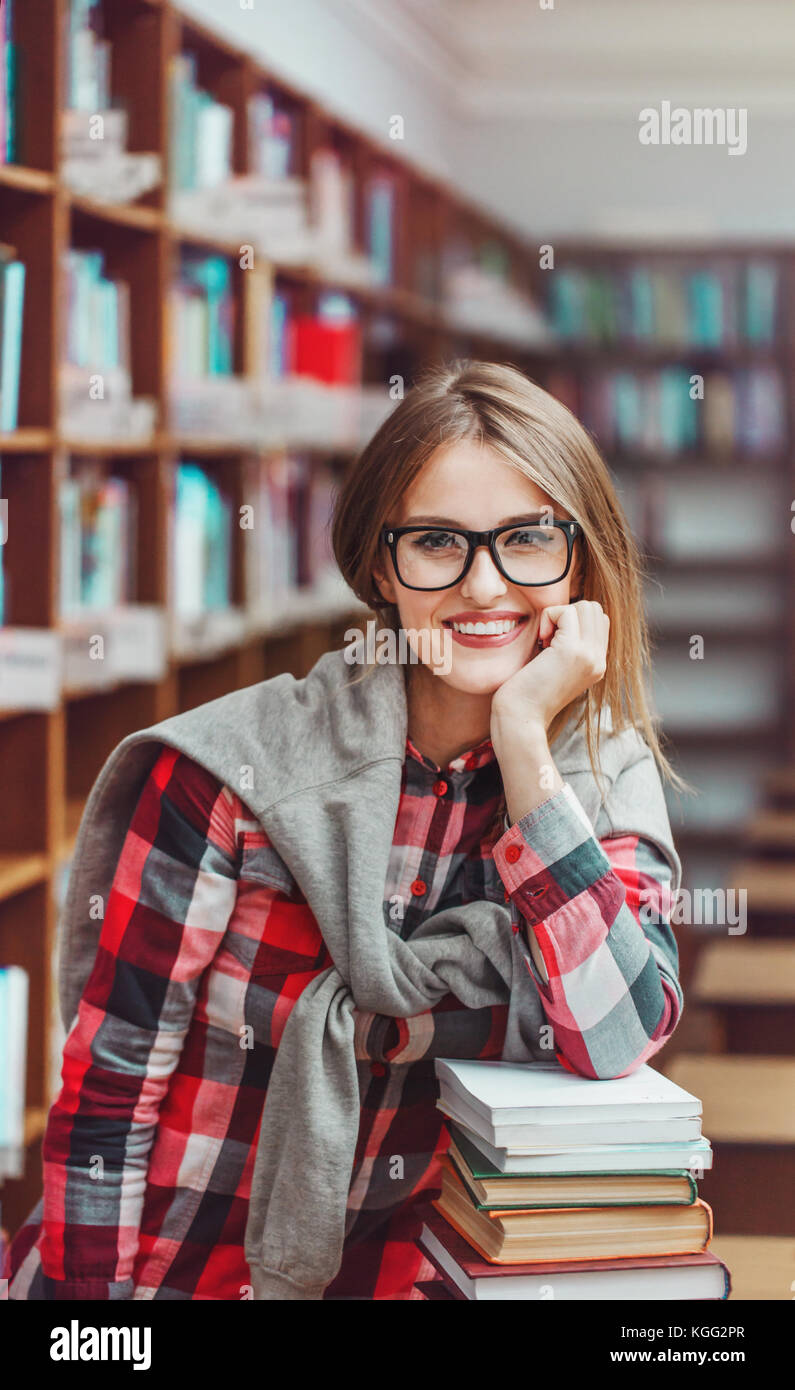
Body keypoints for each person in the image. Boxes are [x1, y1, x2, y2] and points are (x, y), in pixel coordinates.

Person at [6, 359, 683, 1301]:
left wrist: (525, 747)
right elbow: (109, 1096)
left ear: (578, 558)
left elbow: (618, 1034)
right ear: (379, 564)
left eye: (527, 538)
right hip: (164, 1282)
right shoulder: (230, 772)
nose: (484, 586)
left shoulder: (598, 780)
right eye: (439, 543)